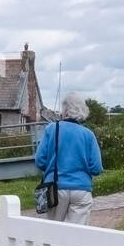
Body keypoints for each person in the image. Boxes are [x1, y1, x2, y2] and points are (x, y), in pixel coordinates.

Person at [35, 92, 103, 223]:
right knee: (77, 236)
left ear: (65, 110)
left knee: (55, 232)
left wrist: (51, 168)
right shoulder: (88, 135)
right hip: (81, 190)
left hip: (55, 188)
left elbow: (40, 160)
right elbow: (96, 168)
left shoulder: (51, 129)